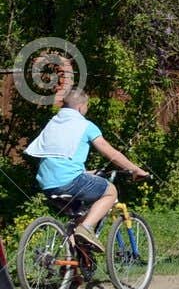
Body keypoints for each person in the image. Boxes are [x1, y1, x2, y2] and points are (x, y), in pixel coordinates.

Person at [25, 88, 149, 262]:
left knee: (77, 218)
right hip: (69, 181)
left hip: (47, 184)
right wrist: (136, 170)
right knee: (110, 191)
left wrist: (88, 173)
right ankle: (87, 229)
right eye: (86, 107)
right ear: (80, 107)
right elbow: (110, 152)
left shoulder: (52, 124)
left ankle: (70, 268)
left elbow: (60, 158)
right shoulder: (85, 125)